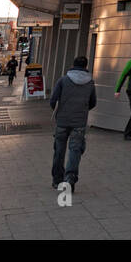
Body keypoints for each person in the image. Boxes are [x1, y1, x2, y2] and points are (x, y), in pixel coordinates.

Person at [49, 55, 97, 191]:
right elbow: (93, 102)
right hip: (79, 122)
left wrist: (59, 111)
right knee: (75, 150)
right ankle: (70, 177)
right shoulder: (90, 83)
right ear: (86, 66)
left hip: (62, 121)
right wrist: (82, 110)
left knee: (59, 150)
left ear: (73, 64)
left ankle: (57, 179)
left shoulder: (63, 80)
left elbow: (53, 99)